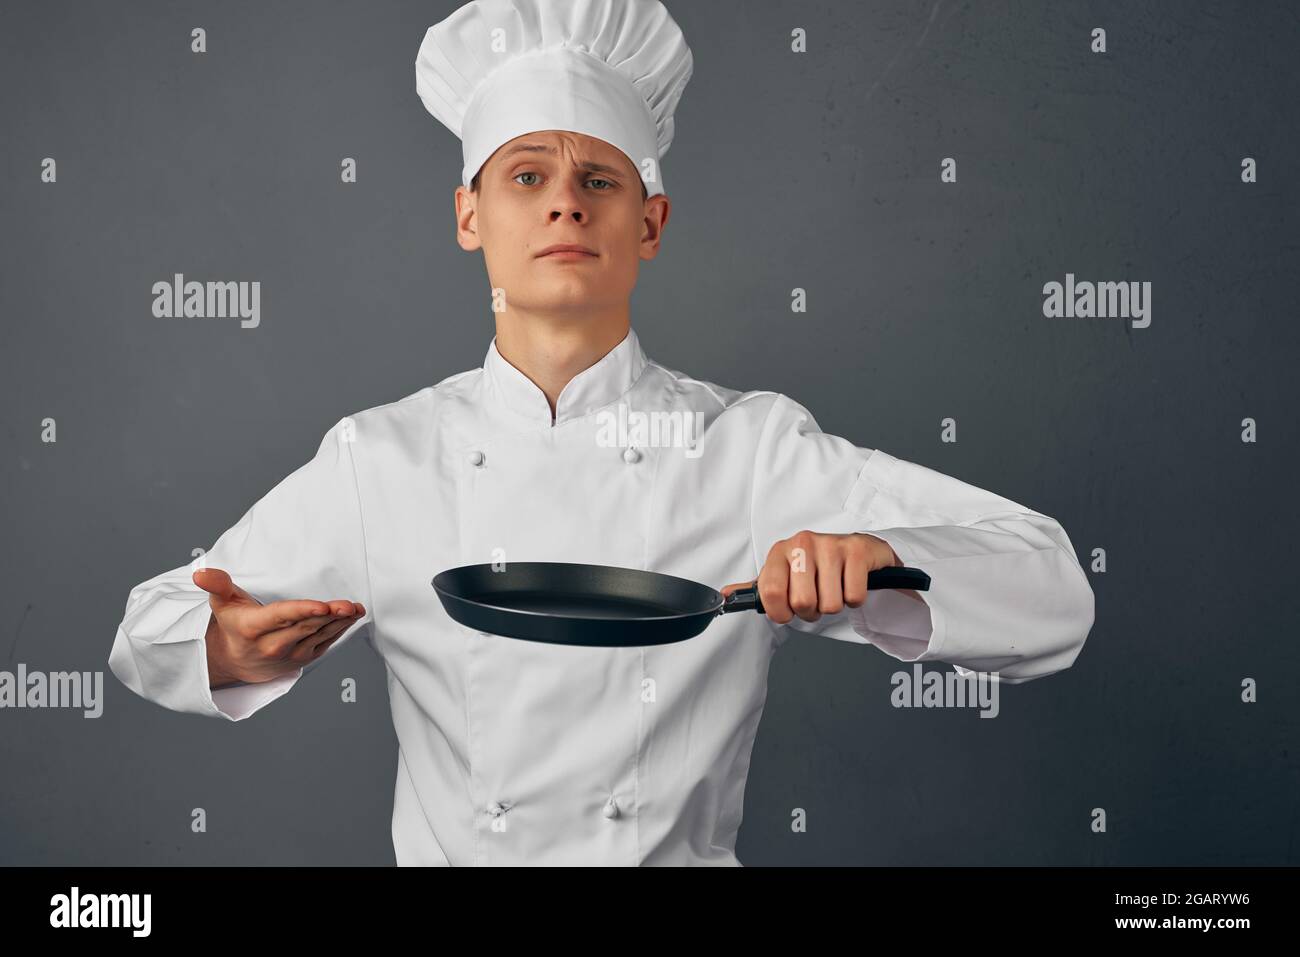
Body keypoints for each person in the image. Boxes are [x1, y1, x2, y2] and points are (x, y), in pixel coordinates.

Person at [108, 0, 1095, 866]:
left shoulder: (748, 451)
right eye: (525, 176)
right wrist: (226, 648)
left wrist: (879, 560)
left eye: (601, 180)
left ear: (652, 222)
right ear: (469, 216)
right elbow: (148, 630)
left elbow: (1051, 588)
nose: (566, 201)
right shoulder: (385, 460)